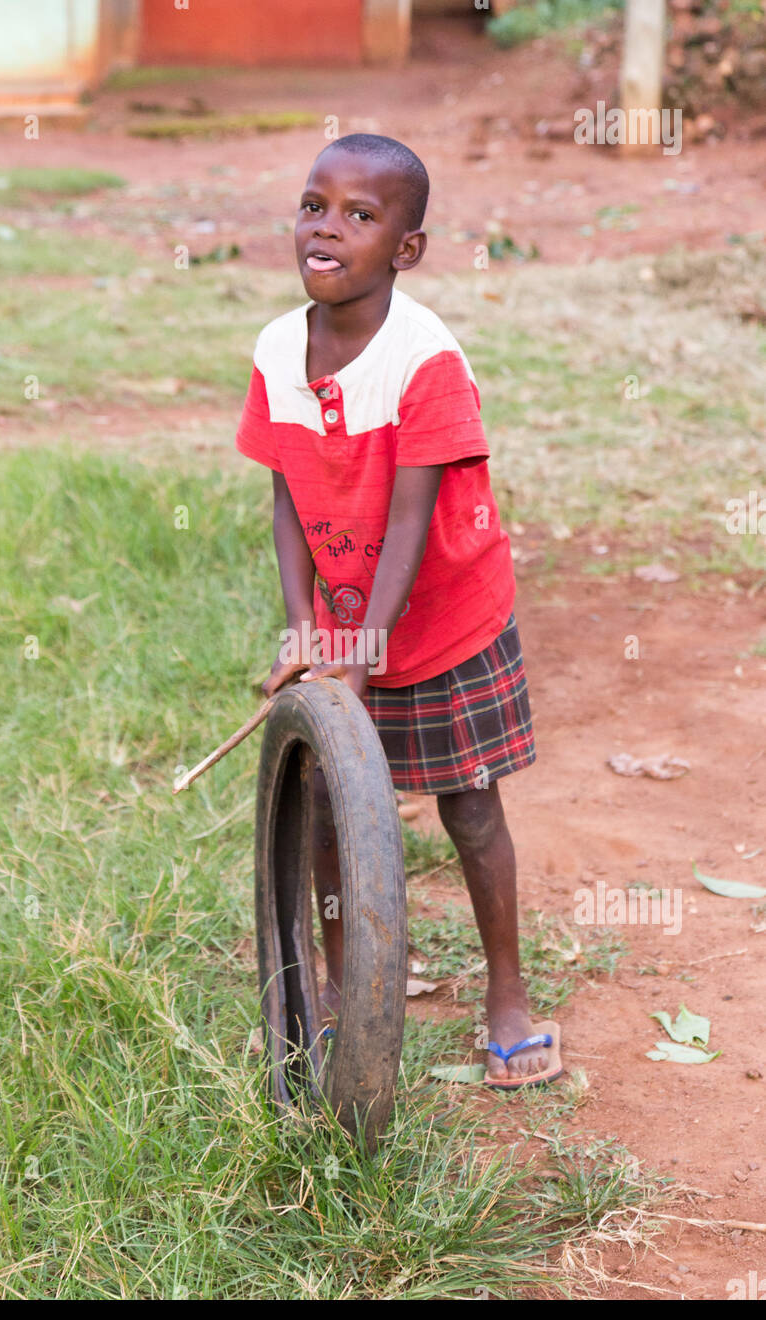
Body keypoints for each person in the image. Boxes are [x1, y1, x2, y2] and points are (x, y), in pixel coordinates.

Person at [235, 133, 561, 1087]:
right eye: (312, 205)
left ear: (405, 250)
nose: (326, 229)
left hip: (450, 619)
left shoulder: (424, 359)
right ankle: (348, 994)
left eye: (360, 216)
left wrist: (364, 652)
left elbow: (412, 520)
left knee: (468, 807)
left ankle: (506, 995)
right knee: (333, 810)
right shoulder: (275, 350)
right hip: (346, 621)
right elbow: (287, 495)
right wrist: (309, 630)